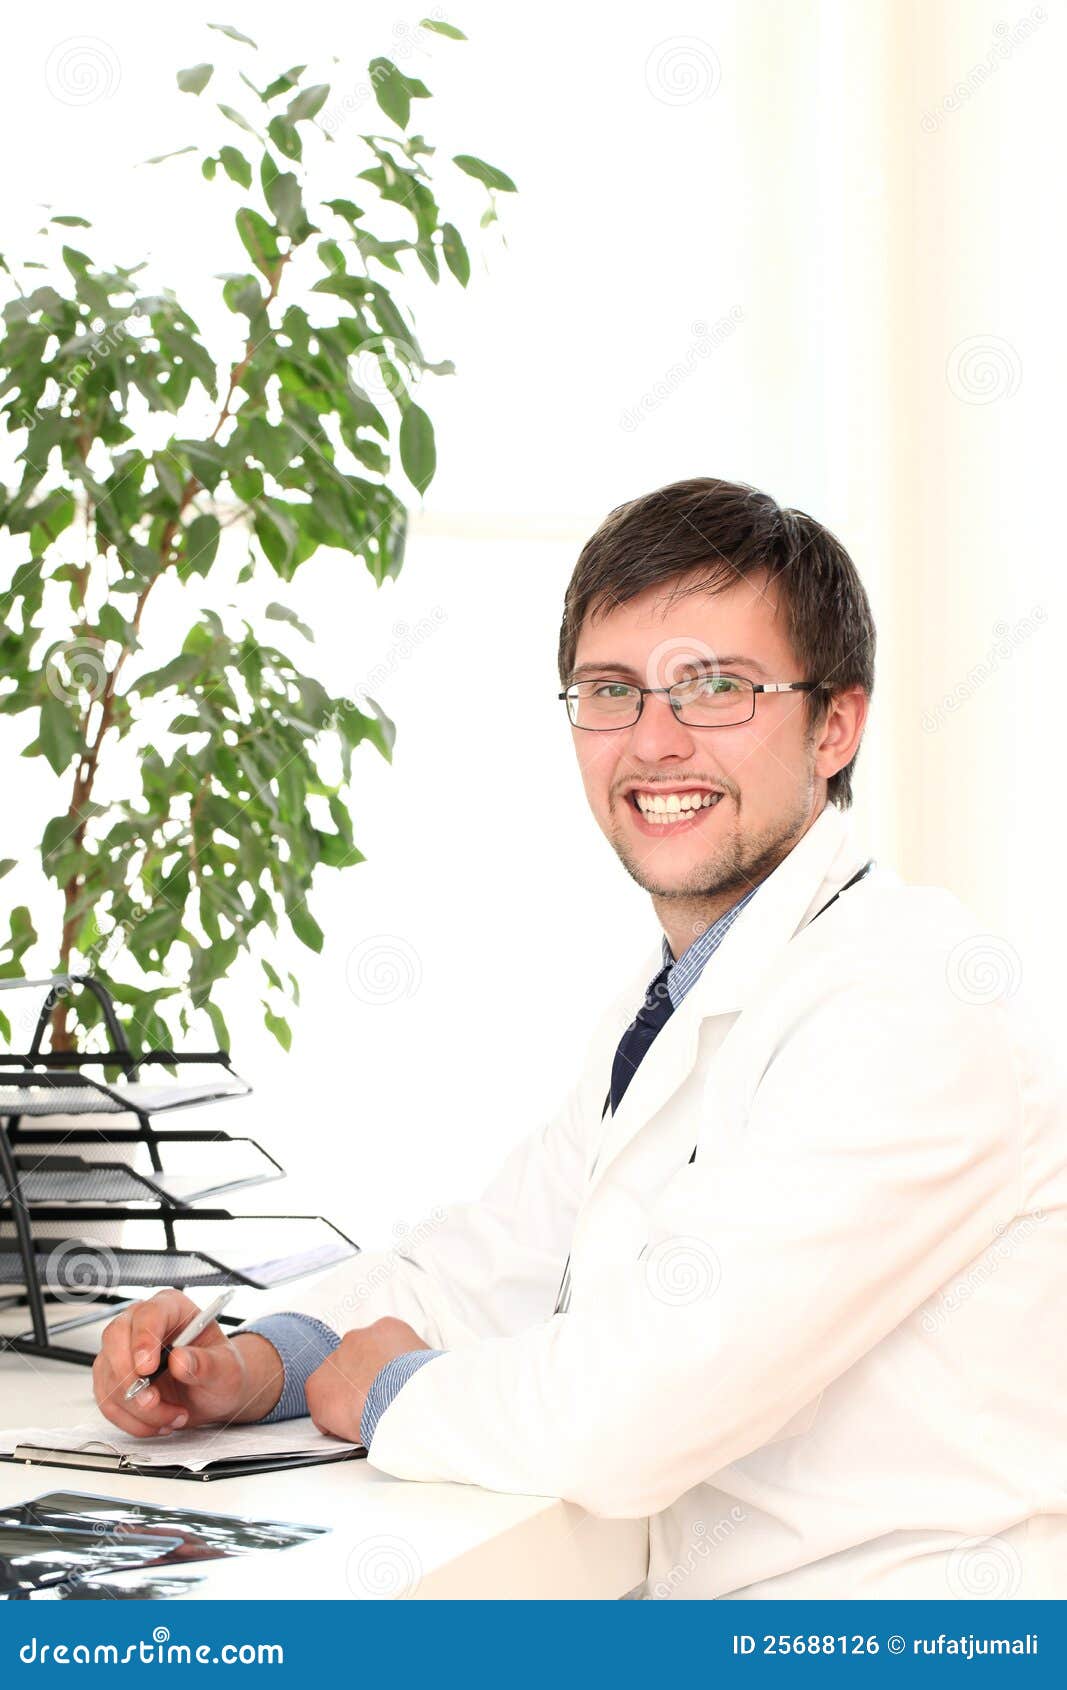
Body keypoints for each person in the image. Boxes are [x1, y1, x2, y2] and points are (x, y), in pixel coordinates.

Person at [93, 477, 1065, 1599]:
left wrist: (383, 1393)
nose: (654, 742)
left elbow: (632, 1409)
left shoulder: (912, 1003)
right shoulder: (689, 994)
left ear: (833, 725)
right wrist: (254, 1364)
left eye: (713, 688)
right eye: (612, 691)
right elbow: (494, 1261)